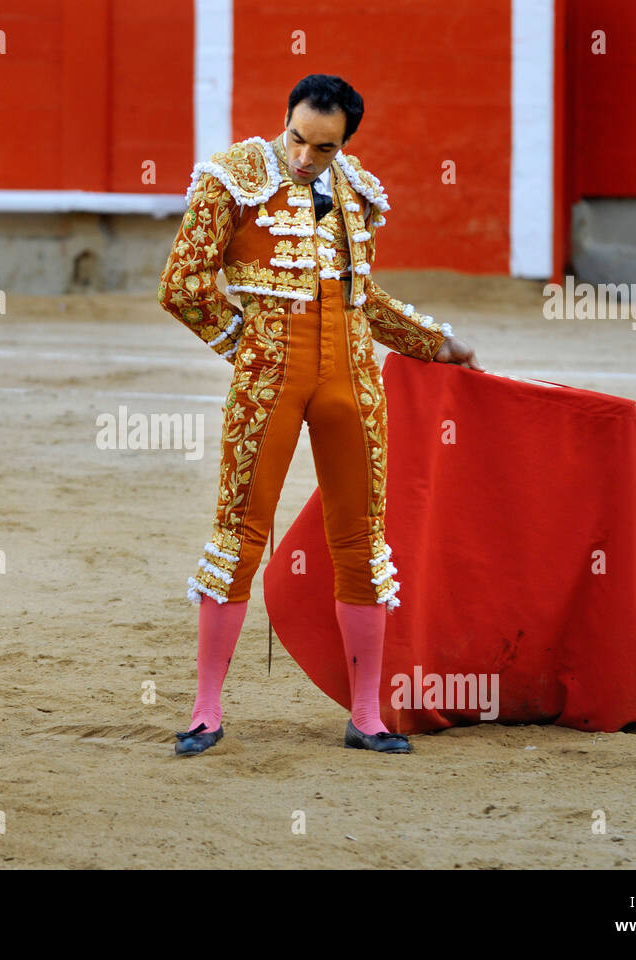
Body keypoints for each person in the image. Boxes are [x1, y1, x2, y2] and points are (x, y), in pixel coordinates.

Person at [157, 74, 483, 757]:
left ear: (345, 143)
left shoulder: (356, 190)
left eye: (323, 146)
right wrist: (245, 347)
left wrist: (436, 342)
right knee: (237, 534)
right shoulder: (233, 177)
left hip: (352, 379)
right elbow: (182, 285)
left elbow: (361, 299)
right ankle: (206, 710)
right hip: (269, 379)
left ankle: (367, 715)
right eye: (298, 138)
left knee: (363, 539)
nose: (305, 156)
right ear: (287, 120)